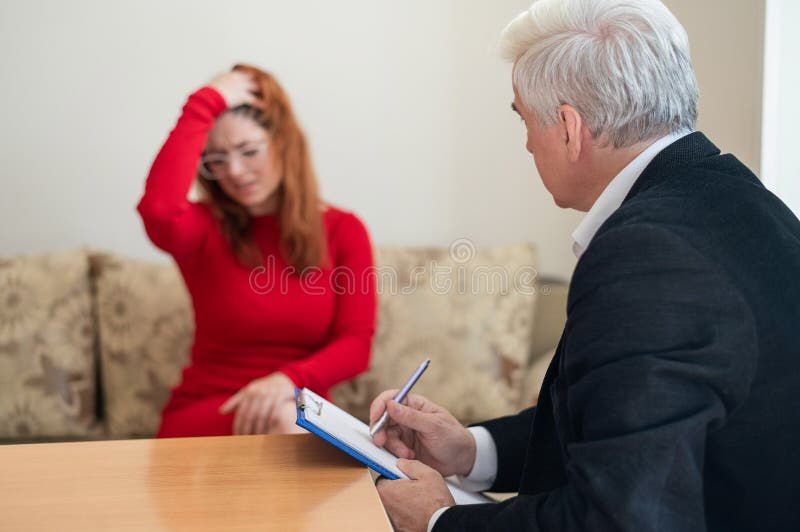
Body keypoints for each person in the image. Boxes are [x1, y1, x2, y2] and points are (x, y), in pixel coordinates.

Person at [370, 1, 800, 531]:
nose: (527, 143)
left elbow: (618, 520)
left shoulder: (647, 255)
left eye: (525, 120)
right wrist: (471, 450)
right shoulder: (739, 197)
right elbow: (627, 426)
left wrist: (438, 519)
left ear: (569, 128)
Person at [137, 64, 376, 437]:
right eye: (215, 159)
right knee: (289, 423)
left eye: (248, 151)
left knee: (289, 418)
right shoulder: (202, 227)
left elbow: (356, 345)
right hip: (210, 412)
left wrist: (286, 381)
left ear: (283, 143)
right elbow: (159, 210)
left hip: (296, 410)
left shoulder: (343, 230)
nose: (234, 171)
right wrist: (203, 103)